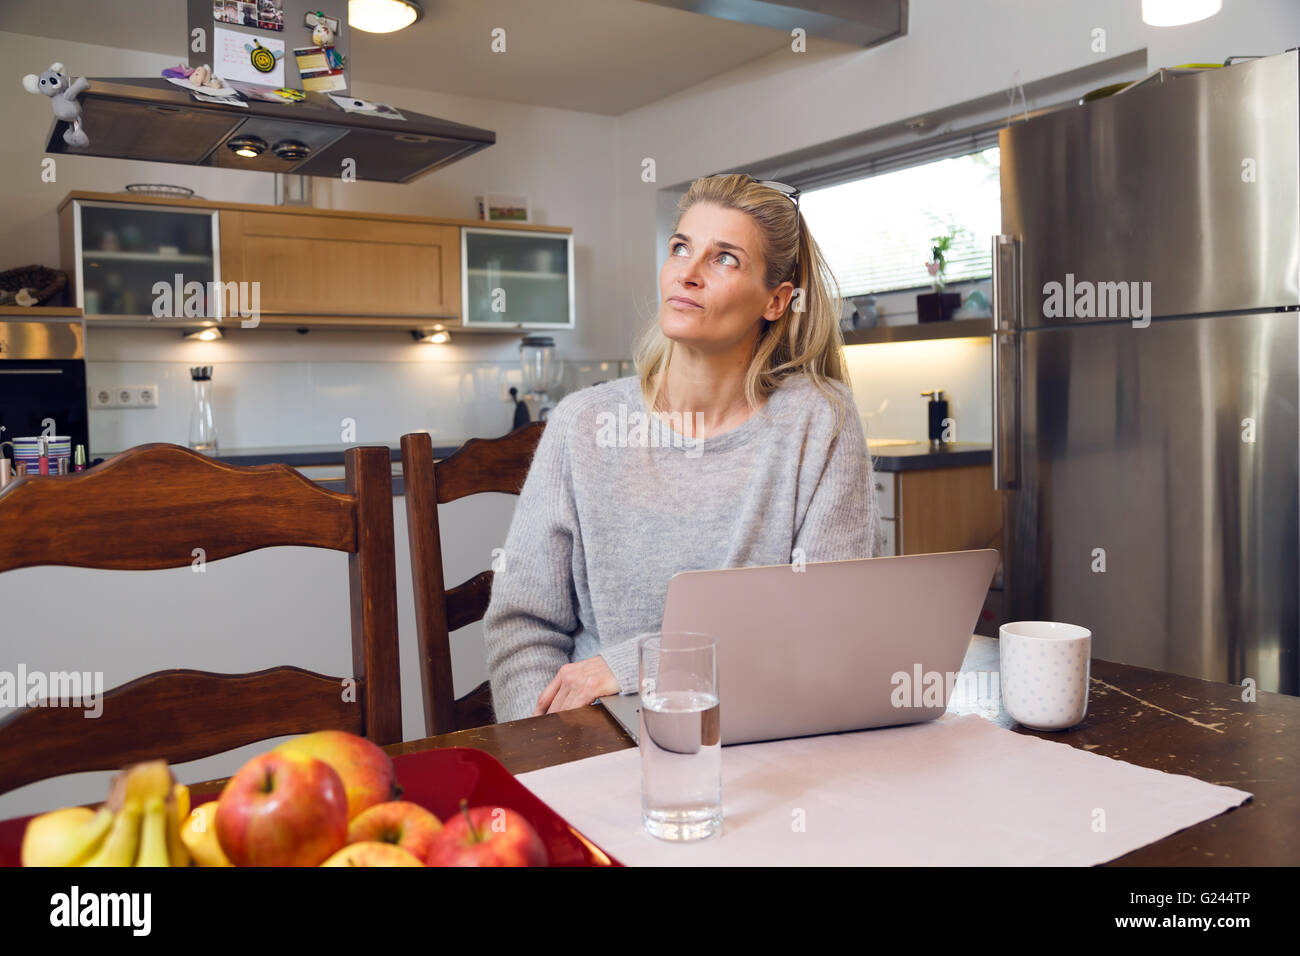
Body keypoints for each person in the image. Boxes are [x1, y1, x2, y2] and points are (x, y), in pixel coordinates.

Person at [484, 173, 879, 723]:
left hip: (761, 733)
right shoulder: (584, 423)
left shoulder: (819, 419)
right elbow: (523, 627)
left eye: (725, 259)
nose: (687, 273)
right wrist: (550, 752)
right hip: (596, 737)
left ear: (776, 300)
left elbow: (825, 623)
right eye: (680, 248)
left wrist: (639, 665)